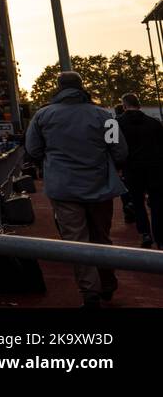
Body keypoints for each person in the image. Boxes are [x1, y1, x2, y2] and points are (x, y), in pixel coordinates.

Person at [25, 72, 128, 307]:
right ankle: (108, 283)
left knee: (76, 240)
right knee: (101, 236)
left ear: (58, 87)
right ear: (82, 86)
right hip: (100, 185)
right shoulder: (105, 115)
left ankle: (90, 292)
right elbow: (120, 151)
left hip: (63, 188)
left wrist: (54, 162)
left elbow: (33, 149)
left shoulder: (43, 115)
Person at [118, 93, 163, 248]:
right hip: (155, 169)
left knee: (137, 203)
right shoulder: (154, 123)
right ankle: (160, 237)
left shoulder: (116, 124)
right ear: (139, 105)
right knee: (157, 203)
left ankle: (144, 233)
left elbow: (112, 147)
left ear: (124, 106)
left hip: (132, 169)